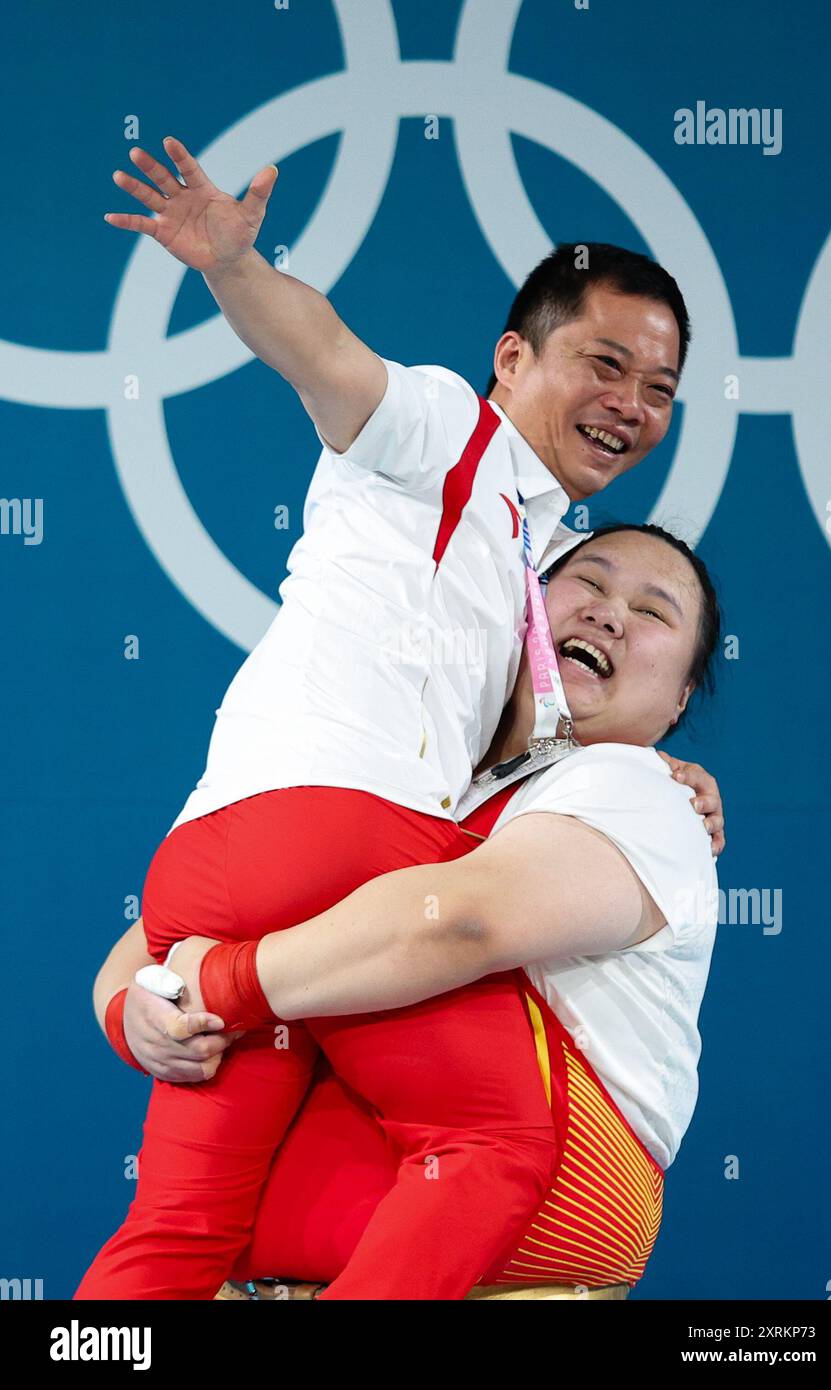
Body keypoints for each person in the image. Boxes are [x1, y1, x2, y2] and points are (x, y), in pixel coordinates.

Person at [76, 137, 723, 1300]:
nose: (629, 405)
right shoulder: (444, 432)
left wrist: (139, 1005)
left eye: (659, 390)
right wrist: (234, 269)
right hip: (338, 849)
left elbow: (538, 761)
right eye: (603, 364)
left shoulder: (526, 579)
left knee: (176, 1238)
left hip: (200, 872)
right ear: (510, 357)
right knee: (496, 1146)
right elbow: (329, 361)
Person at [138, 523, 723, 1300]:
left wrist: (220, 981)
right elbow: (163, 941)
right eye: (589, 582)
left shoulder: (640, 790)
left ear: (681, 696)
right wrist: (144, 1010)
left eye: (653, 611)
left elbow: (458, 923)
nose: (609, 613)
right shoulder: (419, 776)